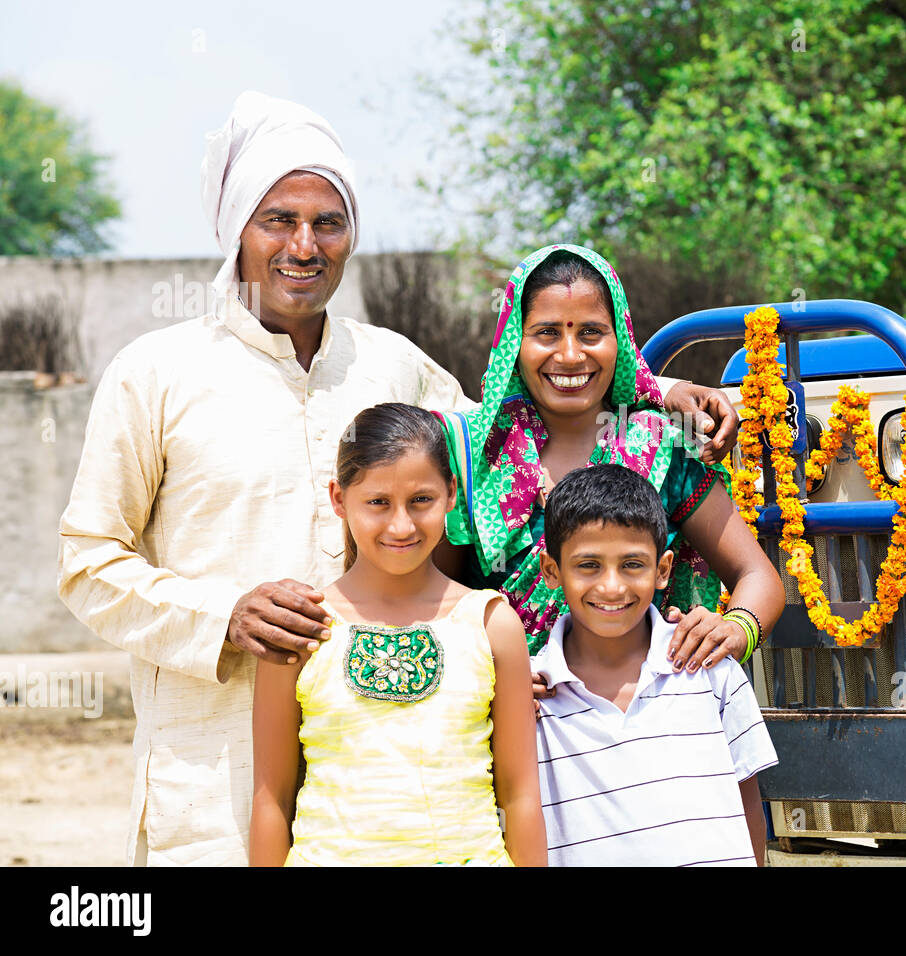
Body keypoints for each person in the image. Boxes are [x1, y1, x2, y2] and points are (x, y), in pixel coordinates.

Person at [56, 91, 736, 866]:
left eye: (329, 222)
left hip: (385, 774)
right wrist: (224, 617)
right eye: (278, 219)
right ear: (235, 229)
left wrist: (660, 394)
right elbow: (86, 563)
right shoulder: (157, 374)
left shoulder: (391, 363)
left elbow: (525, 426)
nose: (304, 245)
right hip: (212, 769)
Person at [439, 244, 784, 679]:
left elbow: (757, 576)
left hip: (642, 717)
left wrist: (735, 630)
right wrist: (490, 674)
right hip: (505, 722)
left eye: (590, 332)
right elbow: (430, 605)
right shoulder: (471, 452)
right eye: (547, 333)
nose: (569, 355)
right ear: (514, 343)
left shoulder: (661, 444)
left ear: (619, 338)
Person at [250, 403, 545, 866]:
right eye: (378, 503)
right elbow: (271, 798)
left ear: (451, 494)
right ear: (337, 498)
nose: (401, 525)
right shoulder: (299, 628)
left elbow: (521, 794)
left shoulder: (490, 624)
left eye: (421, 500)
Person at [532, 465, 777, 865]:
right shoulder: (533, 695)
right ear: (552, 571)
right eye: (588, 565)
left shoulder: (711, 670)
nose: (611, 587)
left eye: (632, 564)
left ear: (662, 570)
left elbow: (747, 801)